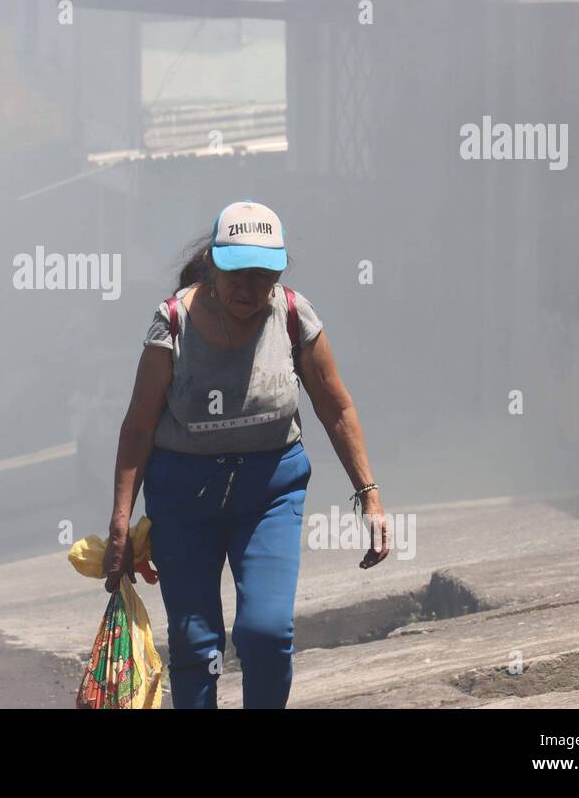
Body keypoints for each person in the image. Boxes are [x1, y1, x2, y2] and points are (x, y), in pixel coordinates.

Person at [103, 200, 388, 709]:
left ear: (279, 269)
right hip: (183, 502)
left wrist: (369, 495)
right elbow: (139, 426)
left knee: (265, 633)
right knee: (195, 643)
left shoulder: (295, 317)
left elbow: (336, 407)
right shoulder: (172, 323)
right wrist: (121, 522)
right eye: (236, 273)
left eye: (263, 274)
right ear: (212, 266)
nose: (249, 288)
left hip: (268, 497)